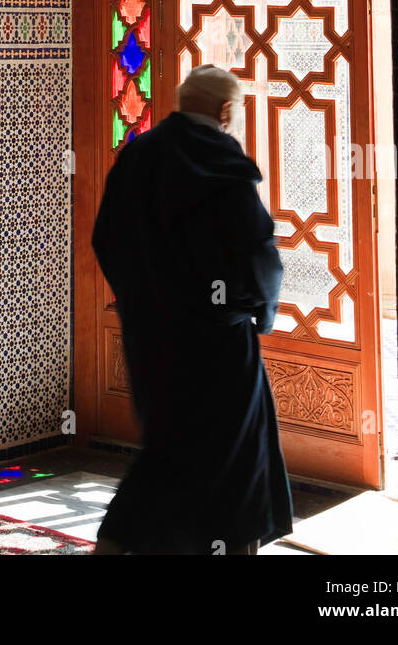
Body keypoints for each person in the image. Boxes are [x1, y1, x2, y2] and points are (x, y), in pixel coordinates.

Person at [91, 64, 293, 555]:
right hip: (218, 344)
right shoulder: (222, 163)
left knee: (168, 445)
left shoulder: (140, 155)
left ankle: (118, 544)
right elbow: (258, 252)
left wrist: (145, 303)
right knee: (234, 454)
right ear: (226, 111)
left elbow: (107, 239)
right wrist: (261, 313)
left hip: (153, 337)